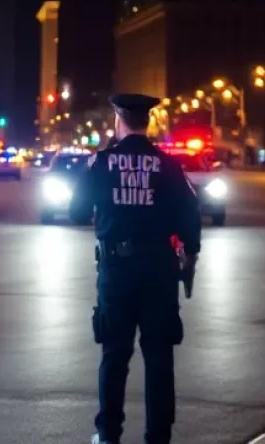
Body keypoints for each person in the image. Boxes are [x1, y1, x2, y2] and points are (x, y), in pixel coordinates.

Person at [70, 93, 202, 444]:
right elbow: (190, 215)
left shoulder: (101, 163)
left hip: (117, 268)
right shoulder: (168, 165)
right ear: (148, 122)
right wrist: (190, 253)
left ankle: (108, 435)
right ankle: (158, 437)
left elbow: (76, 211)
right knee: (159, 357)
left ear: (119, 120)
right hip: (159, 270)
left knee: (114, 354)